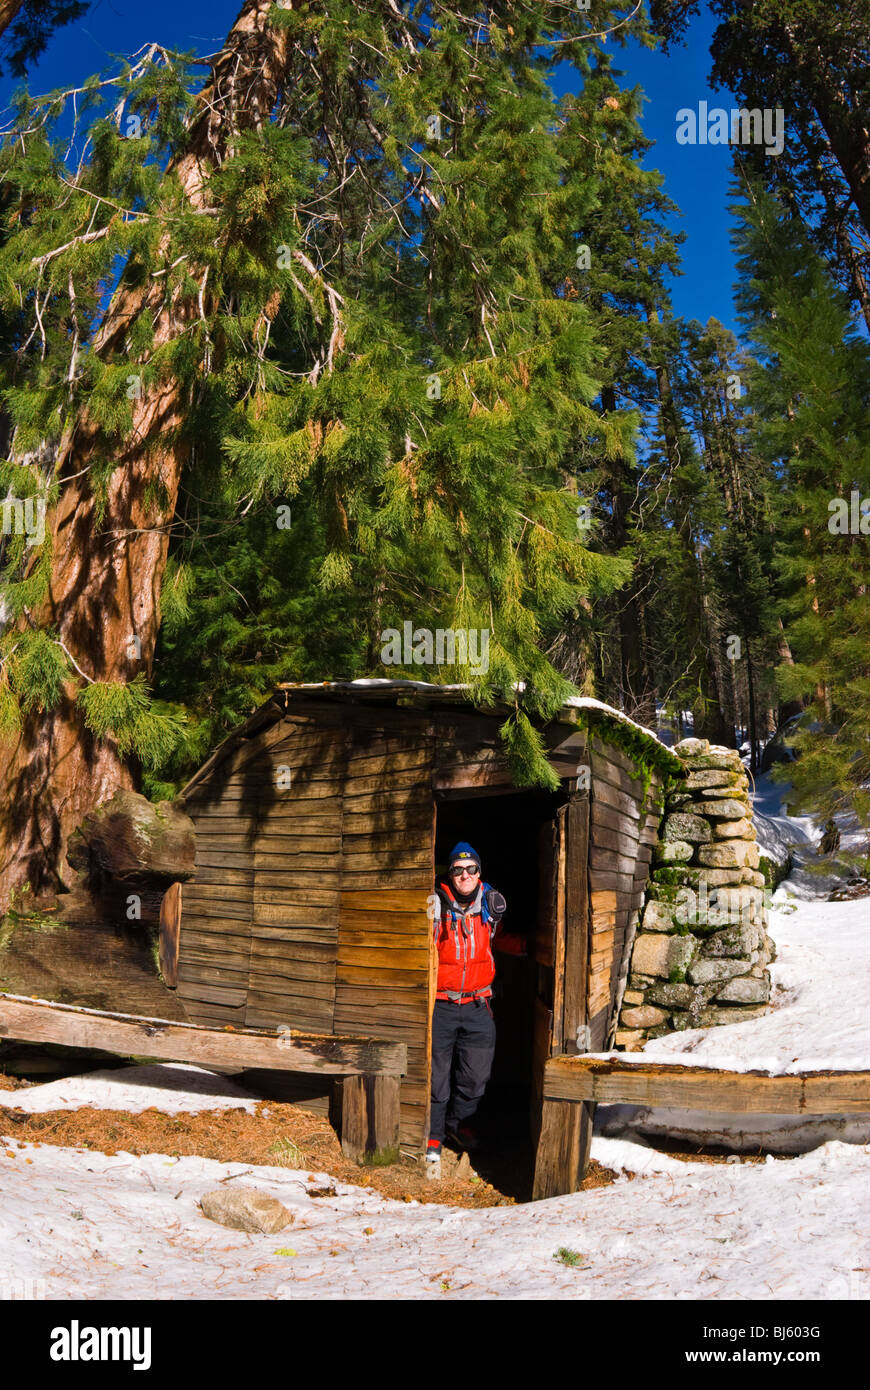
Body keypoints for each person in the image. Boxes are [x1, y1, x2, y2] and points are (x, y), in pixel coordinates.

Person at [426, 841, 523, 1171]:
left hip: (479, 1005)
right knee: (437, 1080)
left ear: (479, 872)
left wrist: (533, 946)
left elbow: (498, 941)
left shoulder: (490, 905)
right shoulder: (437, 903)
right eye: (457, 869)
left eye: (471, 869)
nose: (464, 874)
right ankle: (434, 1139)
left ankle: (457, 1124)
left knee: (475, 1079)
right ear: (450, 874)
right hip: (442, 1004)